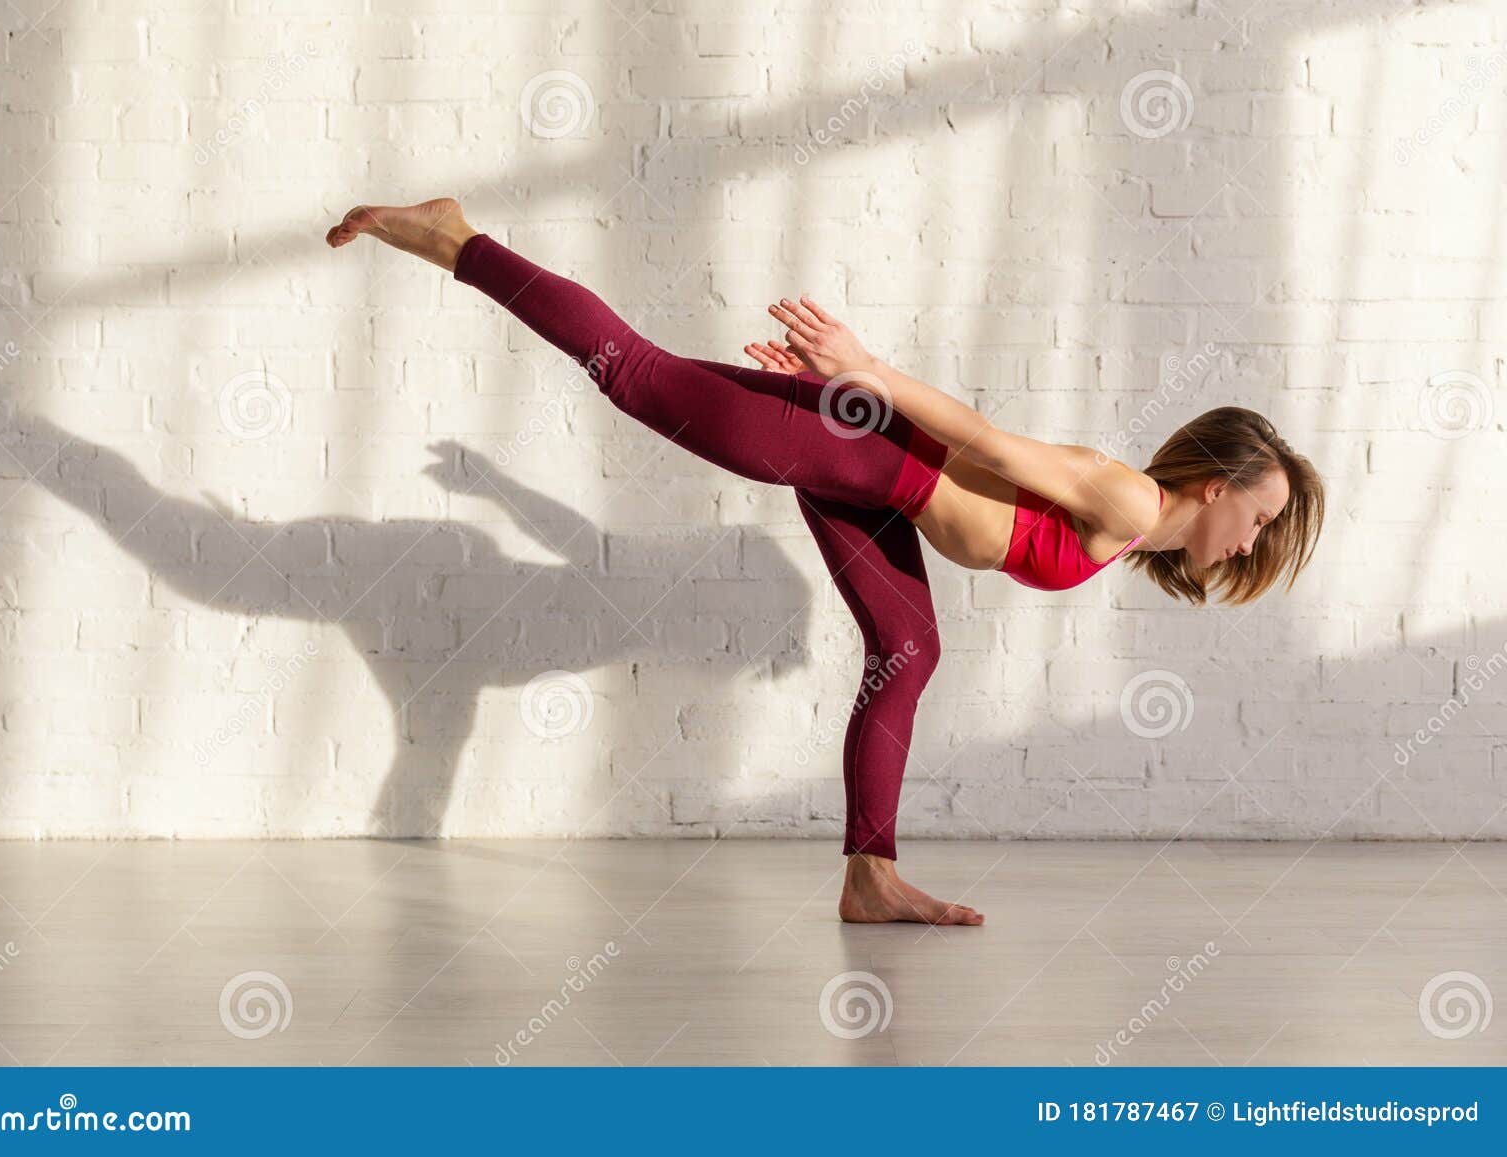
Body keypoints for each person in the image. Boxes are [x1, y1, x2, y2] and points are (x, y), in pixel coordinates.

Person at [326, 198, 1326, 925]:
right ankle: (460, 239)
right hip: (866, 448)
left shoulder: (1140, 526)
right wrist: (864, 372)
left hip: (872, 477)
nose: (1251, 542)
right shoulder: (1124, 497)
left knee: (907, 644)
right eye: (1259, 515)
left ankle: (868, 874)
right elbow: (988, 442)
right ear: (1215, 481)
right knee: (635, 374)